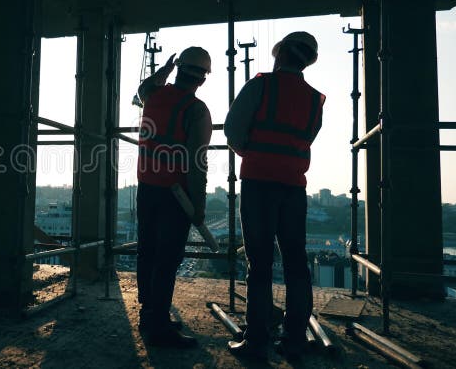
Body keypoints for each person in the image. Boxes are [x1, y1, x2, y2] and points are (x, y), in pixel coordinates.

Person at [224, 31, 325, 361]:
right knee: (296, 263)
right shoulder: (314, 99)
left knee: (260, 263)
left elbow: (233, 131)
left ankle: (256, 340)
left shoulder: (261, 85)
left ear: (280, 55)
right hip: (294, 187)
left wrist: (250, 153)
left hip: (258, 183)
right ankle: (293, 338)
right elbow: (307, 137)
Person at [135, 46, 213, 348]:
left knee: (148, 253)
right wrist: (199, 206)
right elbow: (196, 165)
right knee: (166, 260)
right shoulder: (196, 110)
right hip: (175, 196)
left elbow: (145, 86)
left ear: (178, 69)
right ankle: (158, 327)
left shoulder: (153, 97)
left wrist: (163, 70)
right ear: (203, 79)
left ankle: (149, 314)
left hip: (147, 188)